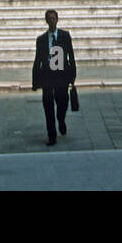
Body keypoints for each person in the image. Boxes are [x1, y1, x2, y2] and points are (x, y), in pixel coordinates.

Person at [32, 8, 76, 145]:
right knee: (48, 105)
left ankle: (61, 119)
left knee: (62, 102)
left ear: (57, 20)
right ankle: (52, 134)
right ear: (46, 21)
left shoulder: (65, 36)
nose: (52, 21)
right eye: (49, 19)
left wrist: (72, 76)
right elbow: (37, 60)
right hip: (47, 77)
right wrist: (35, 81)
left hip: (62, 76)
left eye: (54, 18)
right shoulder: (41, 40)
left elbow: (71, 56)